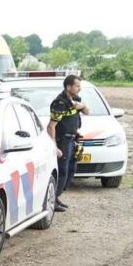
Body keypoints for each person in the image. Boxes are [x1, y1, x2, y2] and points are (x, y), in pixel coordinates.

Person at [47, 73, 89, 212]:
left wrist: (81, 105)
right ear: (68, 86)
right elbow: (51, 126)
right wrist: (55, 147)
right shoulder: (60, 103)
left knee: (71, 169)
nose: (79, 89)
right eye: (77, 86)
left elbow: (87, 111)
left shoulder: (76, 98)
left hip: (72, 139)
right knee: (62, 171)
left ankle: (57, 197)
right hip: (62, 140)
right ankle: (53, 200)